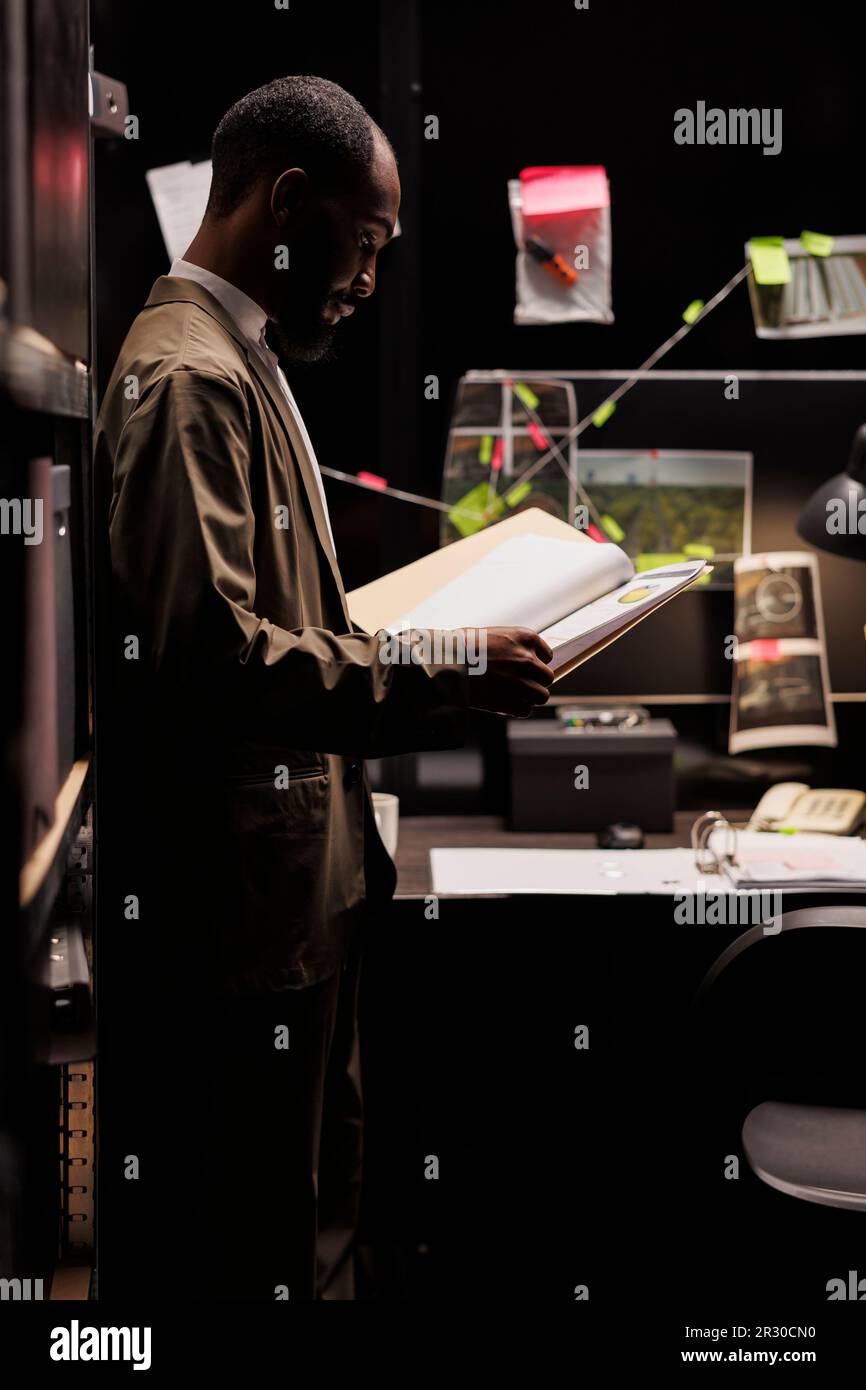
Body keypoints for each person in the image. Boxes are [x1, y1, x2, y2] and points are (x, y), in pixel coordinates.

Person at [93, 74, 553, 1301]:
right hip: (232, 930)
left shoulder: (234, 357)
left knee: (302, 1230)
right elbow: (211, 659)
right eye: (365, 242)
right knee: (248, 1250)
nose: (366, 278)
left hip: (286, 909)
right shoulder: (190, 379)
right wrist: (448, 664)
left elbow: (267, 626)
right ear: (290, 201)